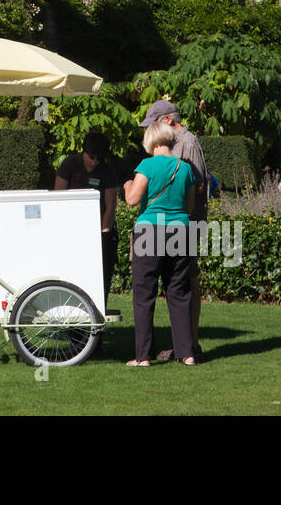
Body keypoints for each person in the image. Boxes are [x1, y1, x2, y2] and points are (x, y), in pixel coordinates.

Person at [135, 99, 210, 361]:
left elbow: (199, 185)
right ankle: (185, 350)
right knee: (179, 288)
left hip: (176, 223)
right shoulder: (178, 155)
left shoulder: (187, 142)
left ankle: (189, 345)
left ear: (167, 120)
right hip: (180, 223)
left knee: (182, 284)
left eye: (152, 124)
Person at [124, 120, 196, 367]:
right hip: (181, 230)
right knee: (179, 292)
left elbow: (133, 200)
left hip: (150, 230)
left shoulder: (146, 165)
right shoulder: (185, 168)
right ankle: (186, 353)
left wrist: (126, 186)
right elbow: (189, 206)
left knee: (144, 295)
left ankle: (143, 357)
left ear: (151, 141)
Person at [53, 130, 119, 300]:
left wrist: (103, 231)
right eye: (92, 157)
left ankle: (98, 316)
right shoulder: (69, 164)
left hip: (99, 229)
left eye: (99, 159)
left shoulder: (107, 170)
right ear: (84, 152)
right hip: (72, 230)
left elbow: (110, 204)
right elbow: (58, 197)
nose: (95, 162)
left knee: (101, 276)